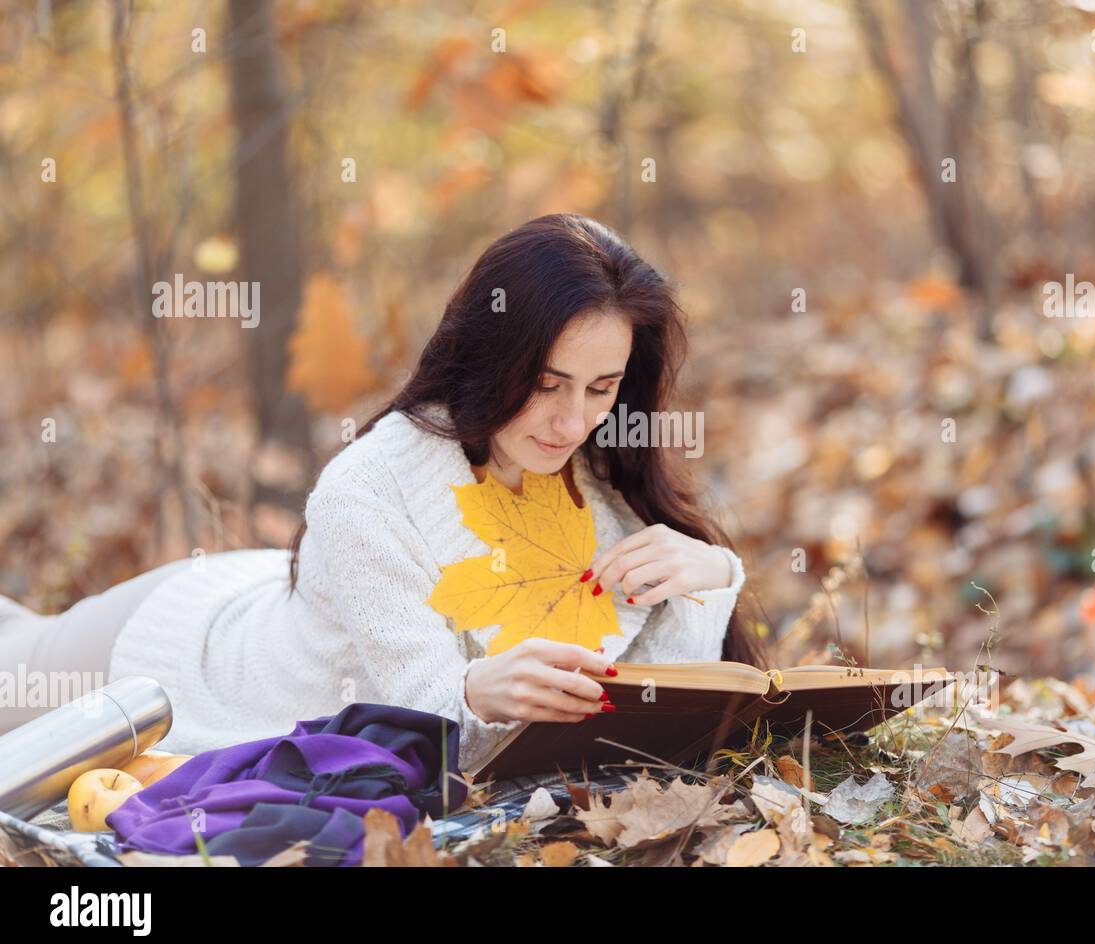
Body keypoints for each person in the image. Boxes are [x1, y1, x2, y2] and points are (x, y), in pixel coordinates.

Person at [0, 212, 765, 776]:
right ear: (491, 360)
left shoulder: (597, 475)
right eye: (545, 384)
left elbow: (654, 718)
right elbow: (425, 729)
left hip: (295, 599)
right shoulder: (367, 488)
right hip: (194, 657)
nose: (574, 420)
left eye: (601, 388)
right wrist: (477, 691)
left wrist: (705, 580)